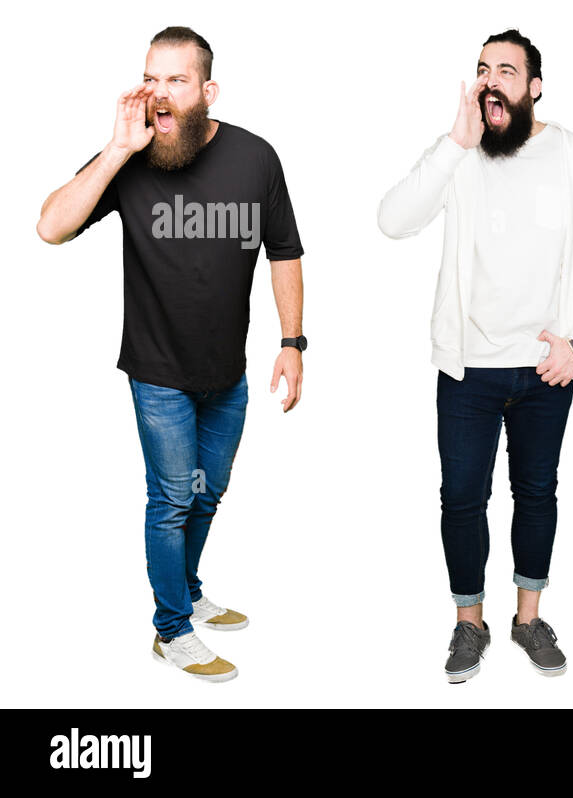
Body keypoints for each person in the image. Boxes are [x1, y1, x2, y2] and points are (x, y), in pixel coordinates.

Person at [36, 26, 307, 682]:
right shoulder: (129, 159)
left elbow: (285, 253)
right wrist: (115, 149)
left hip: (228, 376)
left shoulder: (255, 157)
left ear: (206, 90)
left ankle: (184, 590)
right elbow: (49, 226)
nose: (158, 92)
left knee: (209, 493)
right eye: (151, 77)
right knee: (171, 501)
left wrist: (293, 343)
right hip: (157, 375)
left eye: (176, 80)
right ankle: (171, 629)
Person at [378, 29, 573, 684]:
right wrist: (453, 145)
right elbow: (393, 220)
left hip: (546, 366)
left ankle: (528, 618)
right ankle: (469, 624)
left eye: (507, 71)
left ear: (534, 86)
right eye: (483, 69)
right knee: (461, 496)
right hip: (467, 368)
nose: (491, 80)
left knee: (536, 490)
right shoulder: (457, 154)